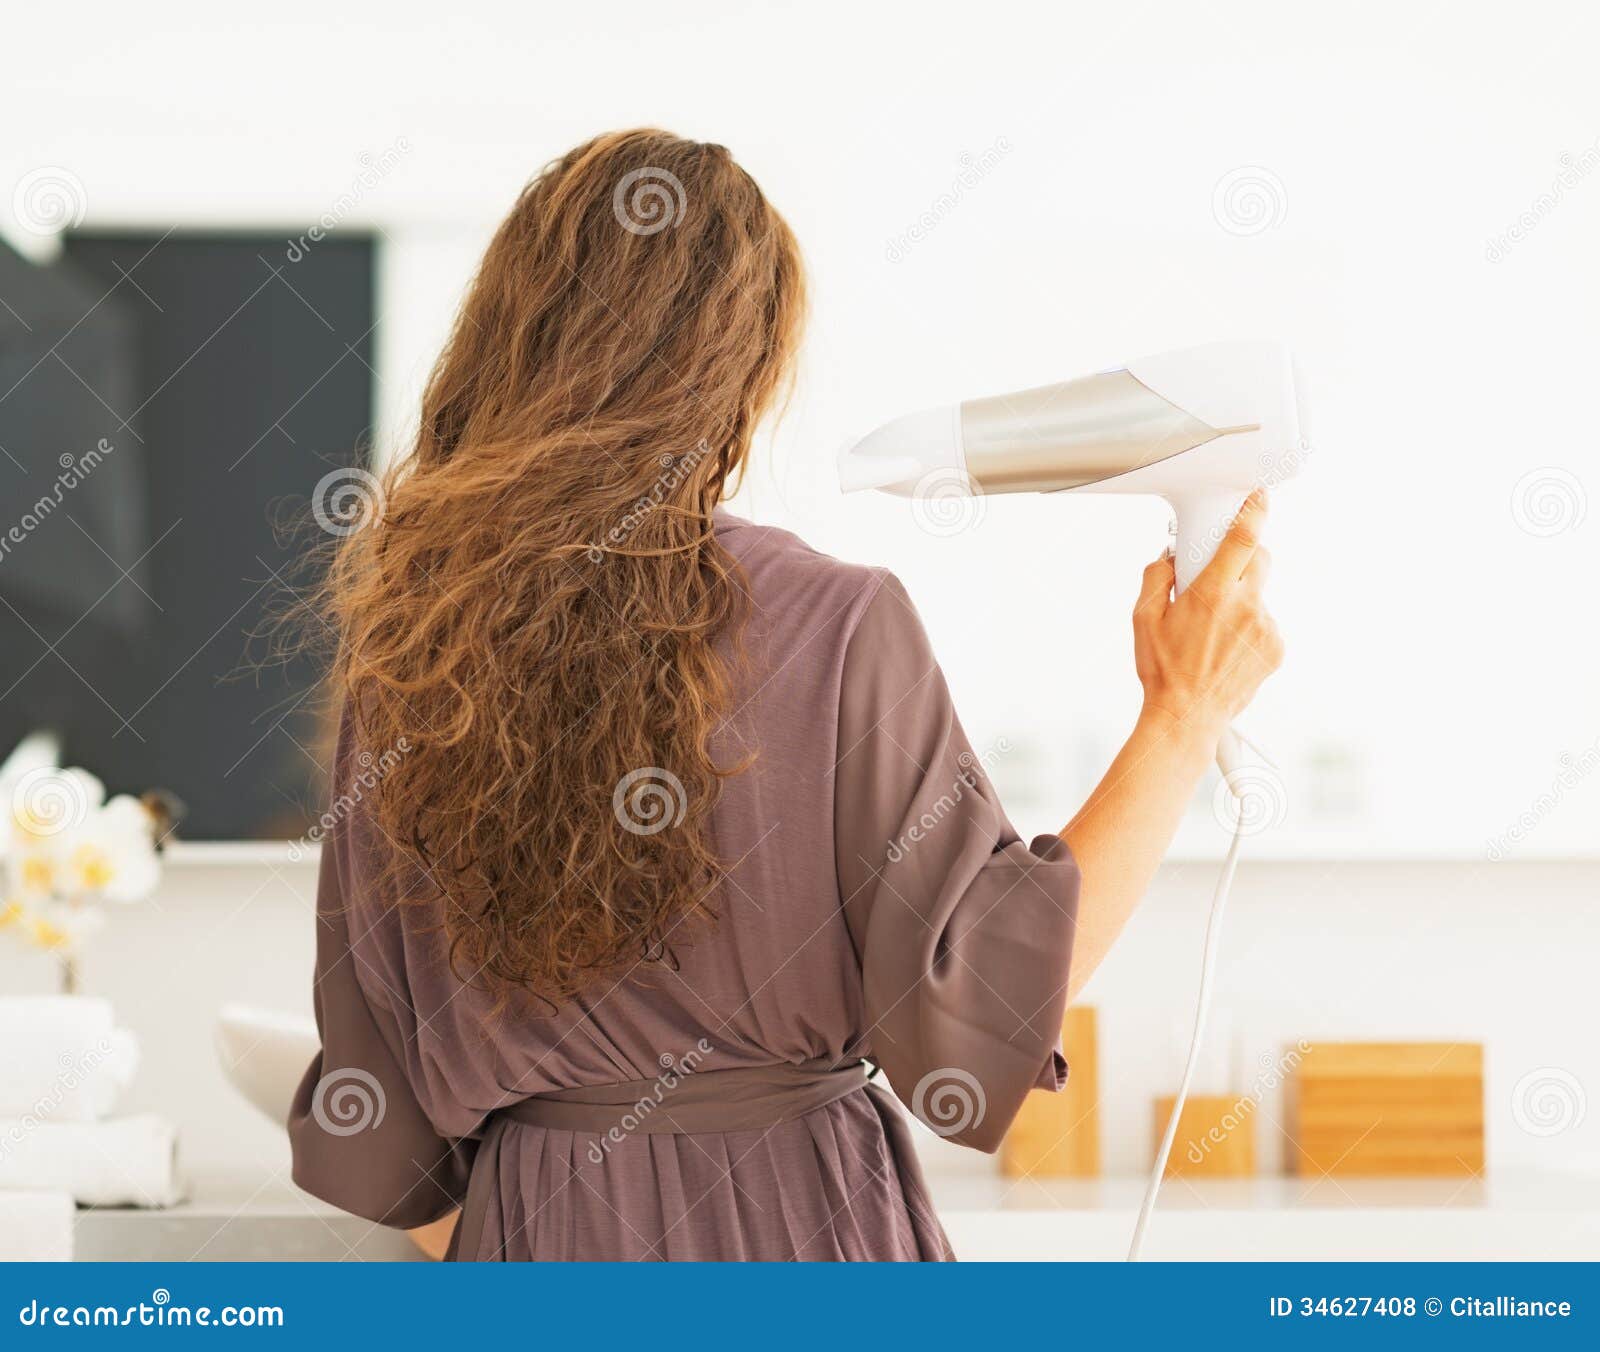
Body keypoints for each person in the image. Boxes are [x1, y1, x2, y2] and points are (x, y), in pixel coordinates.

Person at [289, 129, 1283, 1261]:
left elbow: (380, 1131)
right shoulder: (838, 624)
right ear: (743, 367)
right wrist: (1180, 716)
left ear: (506, 340)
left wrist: (552, 1218)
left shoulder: (415, 653)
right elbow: (975, 1026)